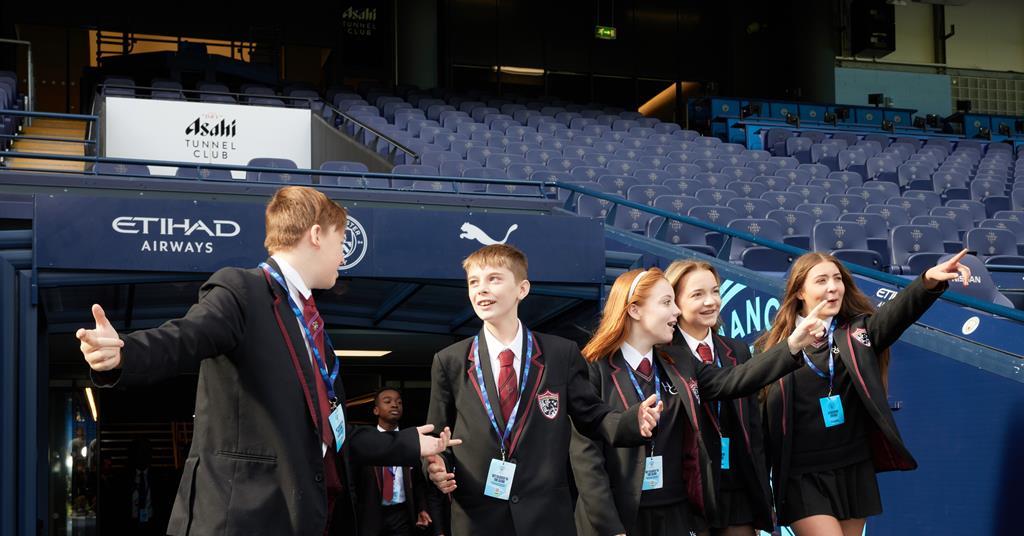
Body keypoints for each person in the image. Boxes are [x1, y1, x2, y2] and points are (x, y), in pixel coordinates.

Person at [76, 186, 459, 535]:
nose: (344, 255)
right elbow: (185, 337)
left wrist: (410, 444)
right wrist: (123, 352)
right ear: (315, 235)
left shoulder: (313, 328)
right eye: (341, 240)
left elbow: (332, 437)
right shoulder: (240, 290)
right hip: (244, 518)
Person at [424, 244, 663, 536]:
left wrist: (630, 420)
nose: (481, 289)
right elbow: (436, 436)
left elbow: (593, 415)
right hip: (477, 520)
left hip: (547, 518)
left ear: (522, 289)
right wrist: (435, 466)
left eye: (494, 279)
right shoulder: (449, 361)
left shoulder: (559, 354)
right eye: (474, 282)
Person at [570, 267, 818, 536]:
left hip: (677, 514)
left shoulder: (680, 362)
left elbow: (737, 378)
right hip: (622, 517)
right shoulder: (593, 369)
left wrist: (792, 344)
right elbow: (587, 461)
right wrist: (611, 529)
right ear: (634, 310)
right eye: (666, 303)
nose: (676, 312)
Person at [756, 250, 971, 536]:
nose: (833, 287)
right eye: (821, 280)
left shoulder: (858, 334)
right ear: (799, 292)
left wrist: (928, 281)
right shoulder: (772, 349)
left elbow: (898, 314)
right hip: (802, 476)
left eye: (837, 279)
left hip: (853, 467)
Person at [664, 260, 774, 536]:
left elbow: (753, 430)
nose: (711, 302)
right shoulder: (663, 353)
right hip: (688, 488)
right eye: (697, 294)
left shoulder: (737, 350)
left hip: (736, 486)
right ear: (674, 302)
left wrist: (762, 497)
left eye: (715, 291)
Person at [358, 388, 441, 536]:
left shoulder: (410, 442)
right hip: (371, 515)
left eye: (399, 402)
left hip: (402, 514)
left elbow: (418, 482)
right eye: (387, 401)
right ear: (376, 410)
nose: (395, 405)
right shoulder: (365, 442)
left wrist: (422, 508)